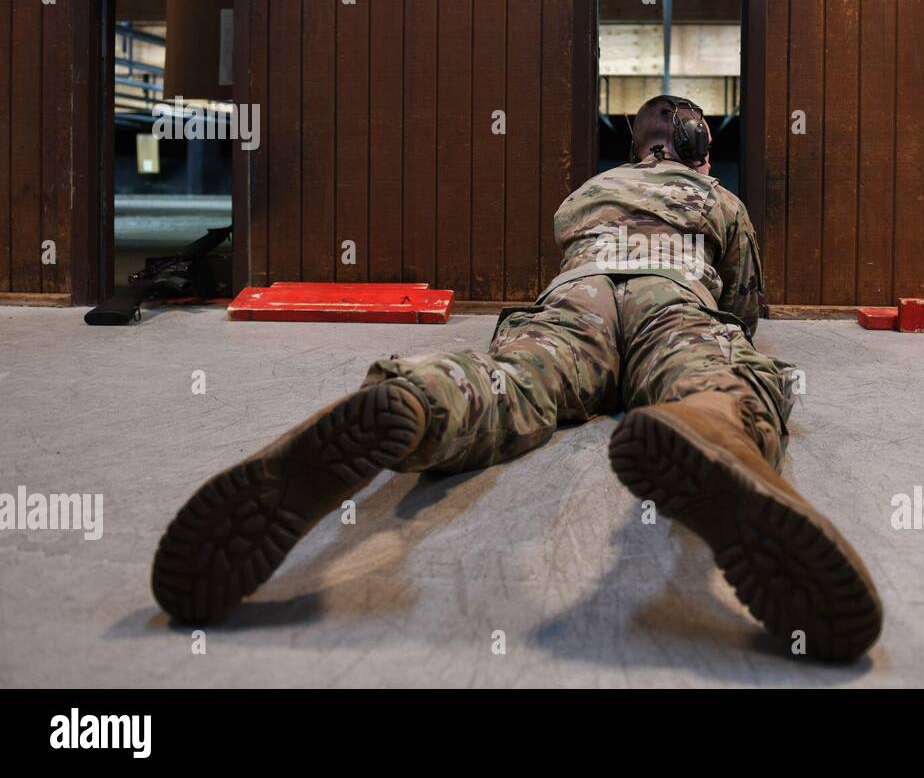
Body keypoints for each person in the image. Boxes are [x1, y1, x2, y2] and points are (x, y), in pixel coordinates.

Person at [152, 95, 883, 662]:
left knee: (519, 377)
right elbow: (746, 308)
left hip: (581, 297)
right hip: (674, 292)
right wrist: (709, 209)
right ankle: (713, 424)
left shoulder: (586, 197)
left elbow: (572, 255)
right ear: (698, 148)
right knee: (711, 365)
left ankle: (419, 399)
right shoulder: (716, 200)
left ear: (633, 147)